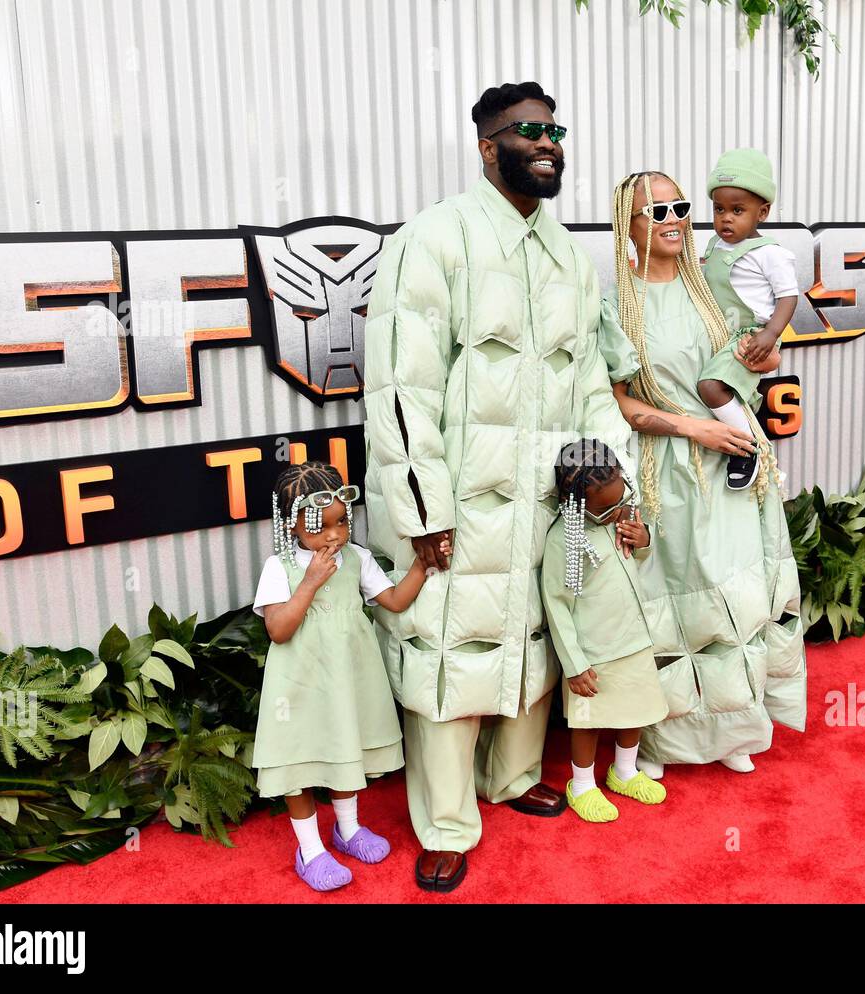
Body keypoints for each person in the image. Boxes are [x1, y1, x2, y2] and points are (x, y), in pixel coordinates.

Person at [361, 81, 633, 893]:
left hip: (546, 500)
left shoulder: (567, 257)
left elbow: (589, 379)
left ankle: (510, 779)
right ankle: (446, 823)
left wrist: (605, 473)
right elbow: (399, 388)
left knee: (533, 635)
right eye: (527, 131)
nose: (547, 142)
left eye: (554, 129)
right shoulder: (431, 239)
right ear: (488, 147)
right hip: (460, 500)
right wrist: (421, 512)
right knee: (449, 649)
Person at [598, 170, 808, 779]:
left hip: (738, 464)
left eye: (680, 207)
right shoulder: (616, 305)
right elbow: (617, 405)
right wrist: (694, 429)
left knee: (738, 597)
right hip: (670, 471)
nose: (671, 219)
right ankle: (668, 740)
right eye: (654, 211)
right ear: (628, 226)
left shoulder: (716, 285)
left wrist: (764, 356)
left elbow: (754, 356)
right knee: (676, 601)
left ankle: (735, 727)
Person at [252, 461, 443, 892]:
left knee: (346, 750)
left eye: (341, 522)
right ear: (291, 524)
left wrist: (421, 565)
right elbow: (279, 630)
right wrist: (310, 582)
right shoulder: (279, 567)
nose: (335, 535)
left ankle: (349, 829)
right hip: (298, 686)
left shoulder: (355, 558)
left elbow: (392, 601)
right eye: (321, 526)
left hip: (347, 678)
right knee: (298, 763)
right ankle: (310, 849)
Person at [540, 439, 669, 823]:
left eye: (619, 499)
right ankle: (581, 784)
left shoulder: (623, 513)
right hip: (593, 652)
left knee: (636, 711)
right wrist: (574, 664)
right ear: (578, 502)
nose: (616, 511)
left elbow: (640, 556)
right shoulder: (564, 539)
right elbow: (557, 604)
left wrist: (644, 539)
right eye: (605, 507)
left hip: (634, 638)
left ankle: (624, 771)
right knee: (589, 720)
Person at [698, 148, 798, 490]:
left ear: (763, 213)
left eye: (738, 211)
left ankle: (747, 449)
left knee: (710, 387)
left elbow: (788, 296)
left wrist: (770, 334)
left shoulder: (770, 253)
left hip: (750, 336)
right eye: (719, 209)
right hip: (719, 332)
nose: (726, 218)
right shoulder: (713, 245)